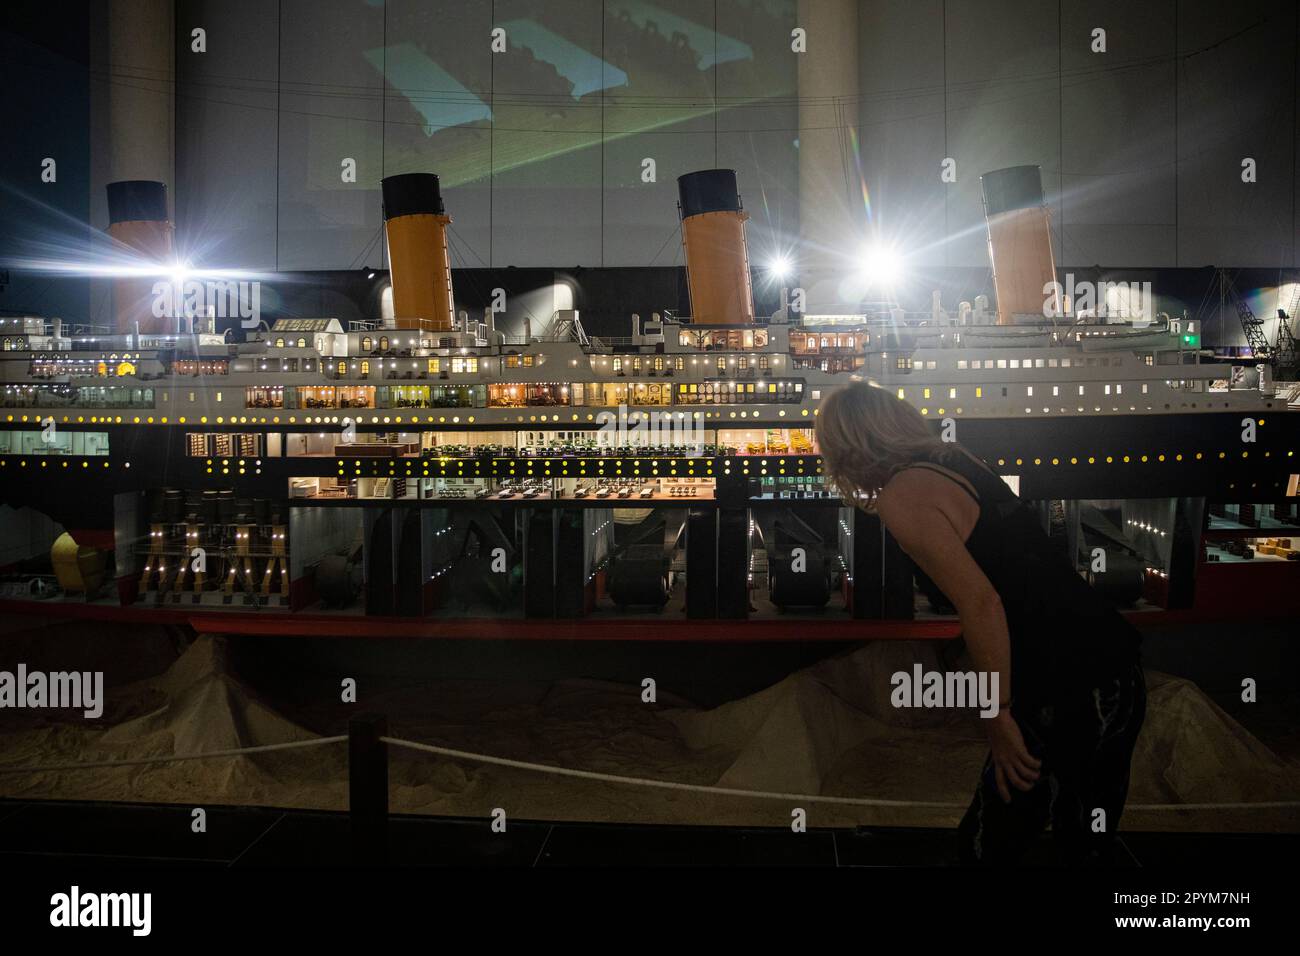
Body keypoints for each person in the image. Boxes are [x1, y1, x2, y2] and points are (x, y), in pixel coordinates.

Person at [817, 381, 1145, 865]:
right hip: (1115, 663)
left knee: (990, 841)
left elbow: (982, 604)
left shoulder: (901, 495)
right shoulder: (957, 459)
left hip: (1064, 683)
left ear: (847, 442)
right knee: (1086, 836)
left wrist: (998, 714)